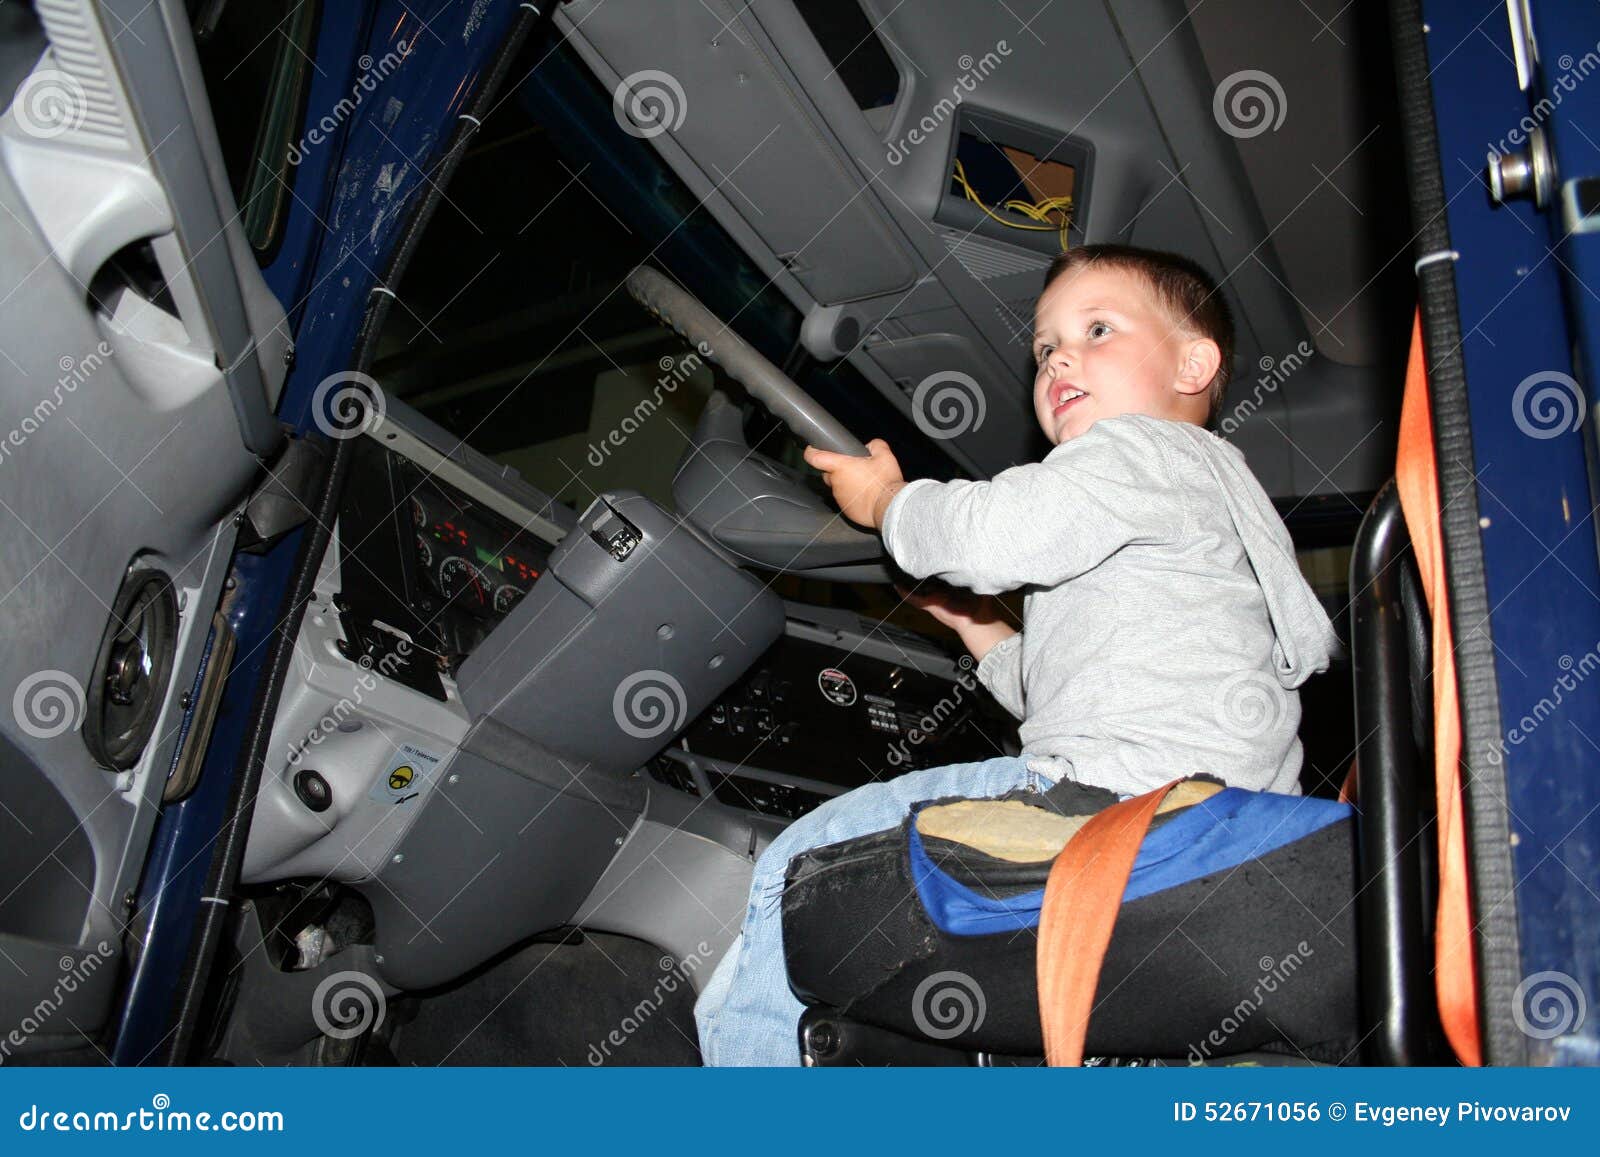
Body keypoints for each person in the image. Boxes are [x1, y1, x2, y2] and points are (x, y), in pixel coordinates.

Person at [693, 243, 1338, 1066]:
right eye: (1044, 348)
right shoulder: (1211, 508)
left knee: (803, 868)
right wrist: (978, 631)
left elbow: (991, 533)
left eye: (1096, 329)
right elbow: (1083, 689)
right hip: (1194, 833)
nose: (1059, 357)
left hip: (1099, 802)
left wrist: (889, 502)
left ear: (1193, 365)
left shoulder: (1142, 451)